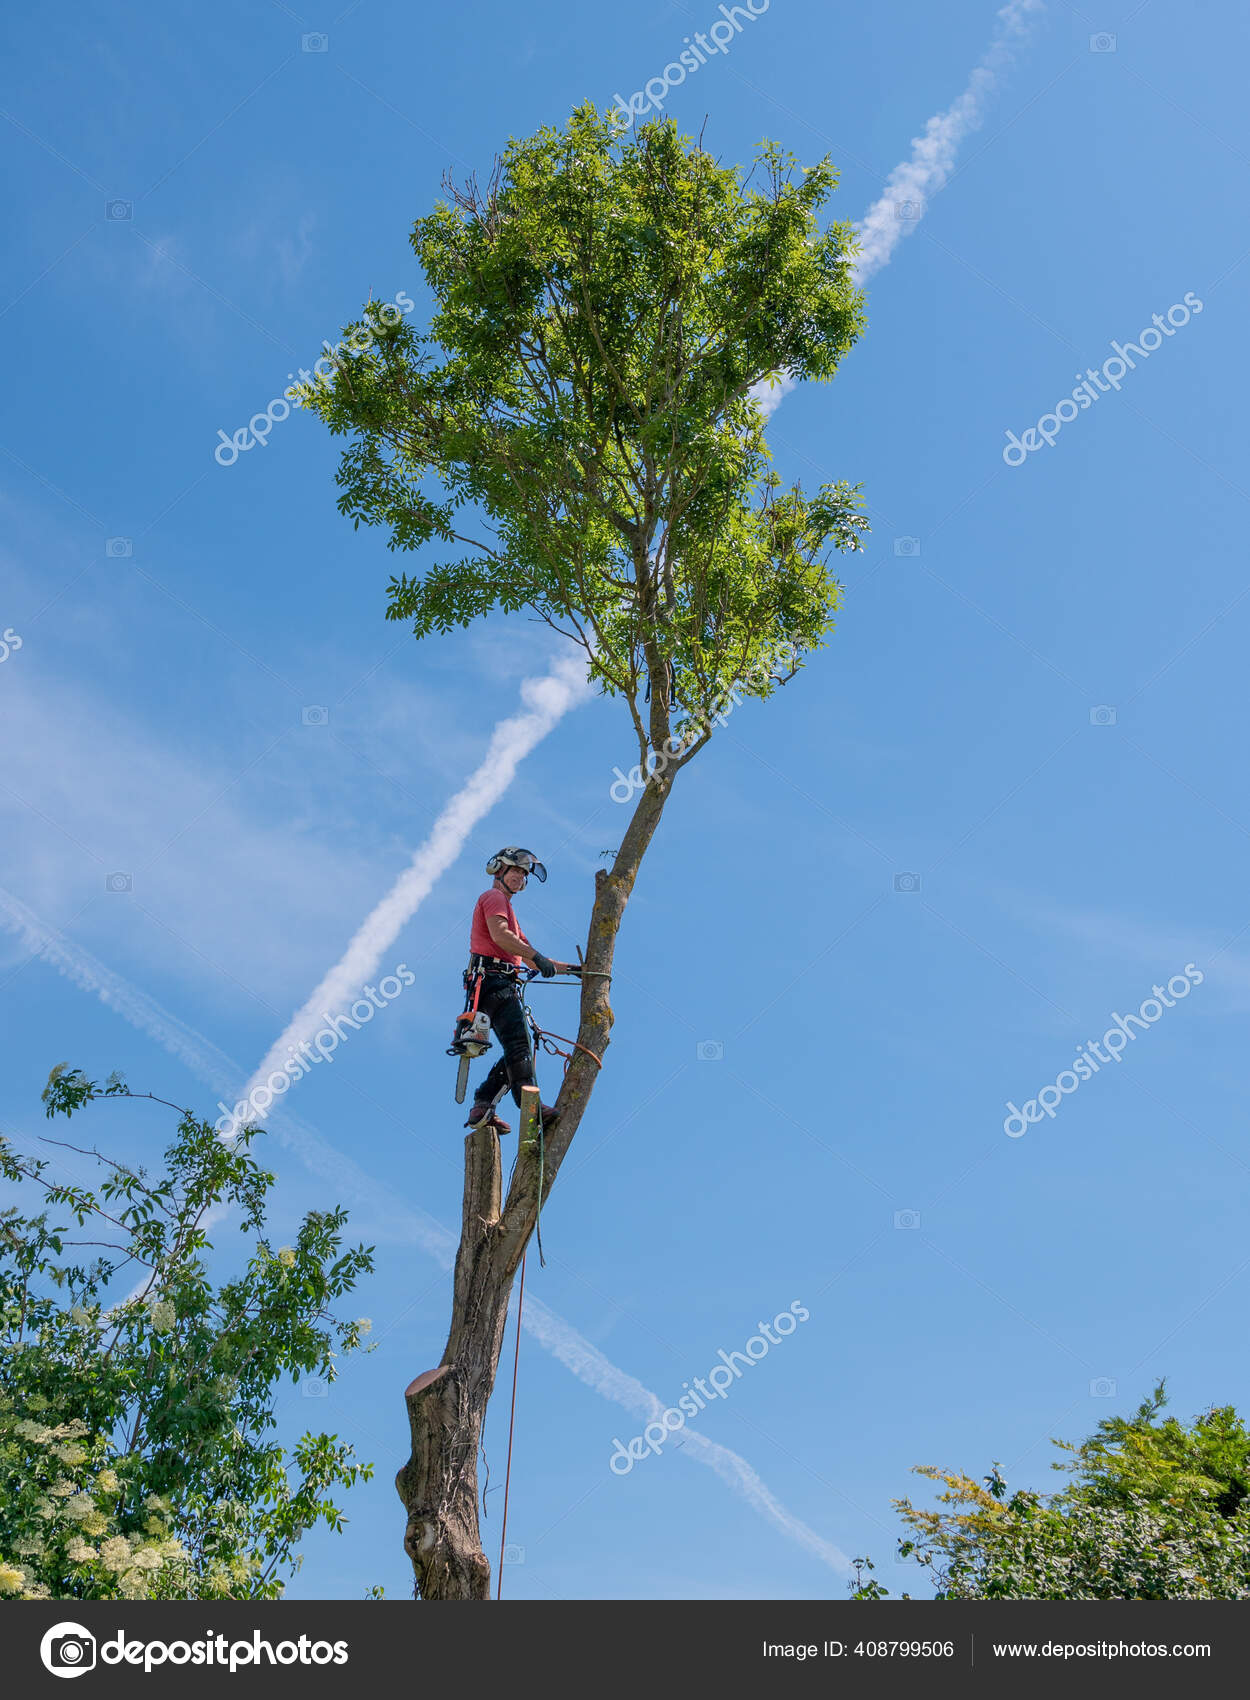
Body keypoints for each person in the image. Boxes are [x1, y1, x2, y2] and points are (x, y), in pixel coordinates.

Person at [463, 847, 575, 1136]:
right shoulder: (494, 898)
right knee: (520, 1046)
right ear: (499, 870)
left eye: (523, 875)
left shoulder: (508, 910)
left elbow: (527, 955)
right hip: (494, 982)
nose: (519, 878)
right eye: (515, 871)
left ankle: (483, 1103)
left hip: (496, 983)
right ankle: (530, 1109)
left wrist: (576, 971)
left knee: (519, 1046)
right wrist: (536, 958)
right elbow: (502, 937)